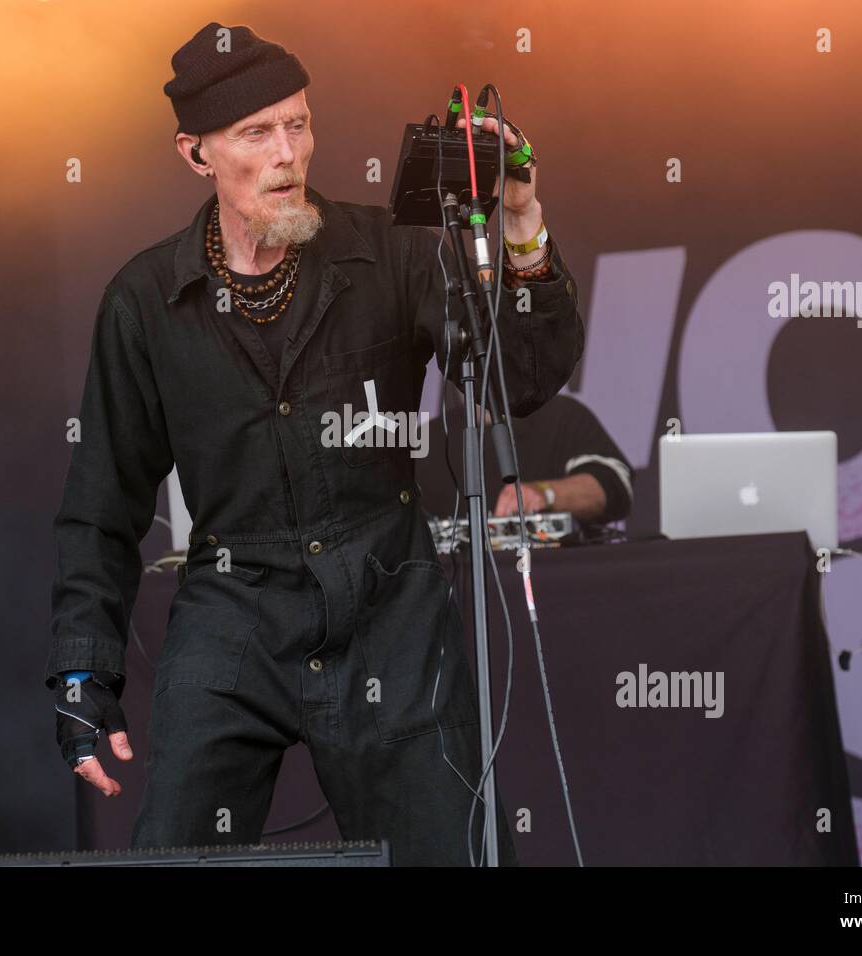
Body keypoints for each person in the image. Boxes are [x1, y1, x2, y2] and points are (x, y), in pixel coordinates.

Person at [44, 21, 584, 866]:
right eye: (256, 133)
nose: (287, 153)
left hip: (390, 606)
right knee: (174, 850)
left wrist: (520, 229)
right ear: (197, 155)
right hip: (233, 609)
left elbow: (517, 381)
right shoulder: (146, 300)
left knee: (453, 849)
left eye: (298, 124)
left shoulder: (393, 253)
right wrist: (86, 671)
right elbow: (101, 506)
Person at [416, 389, 634, 533]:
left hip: (558, 586)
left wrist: (545, 494)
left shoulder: (561, 416)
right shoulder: (428, 438)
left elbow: (614, 485)